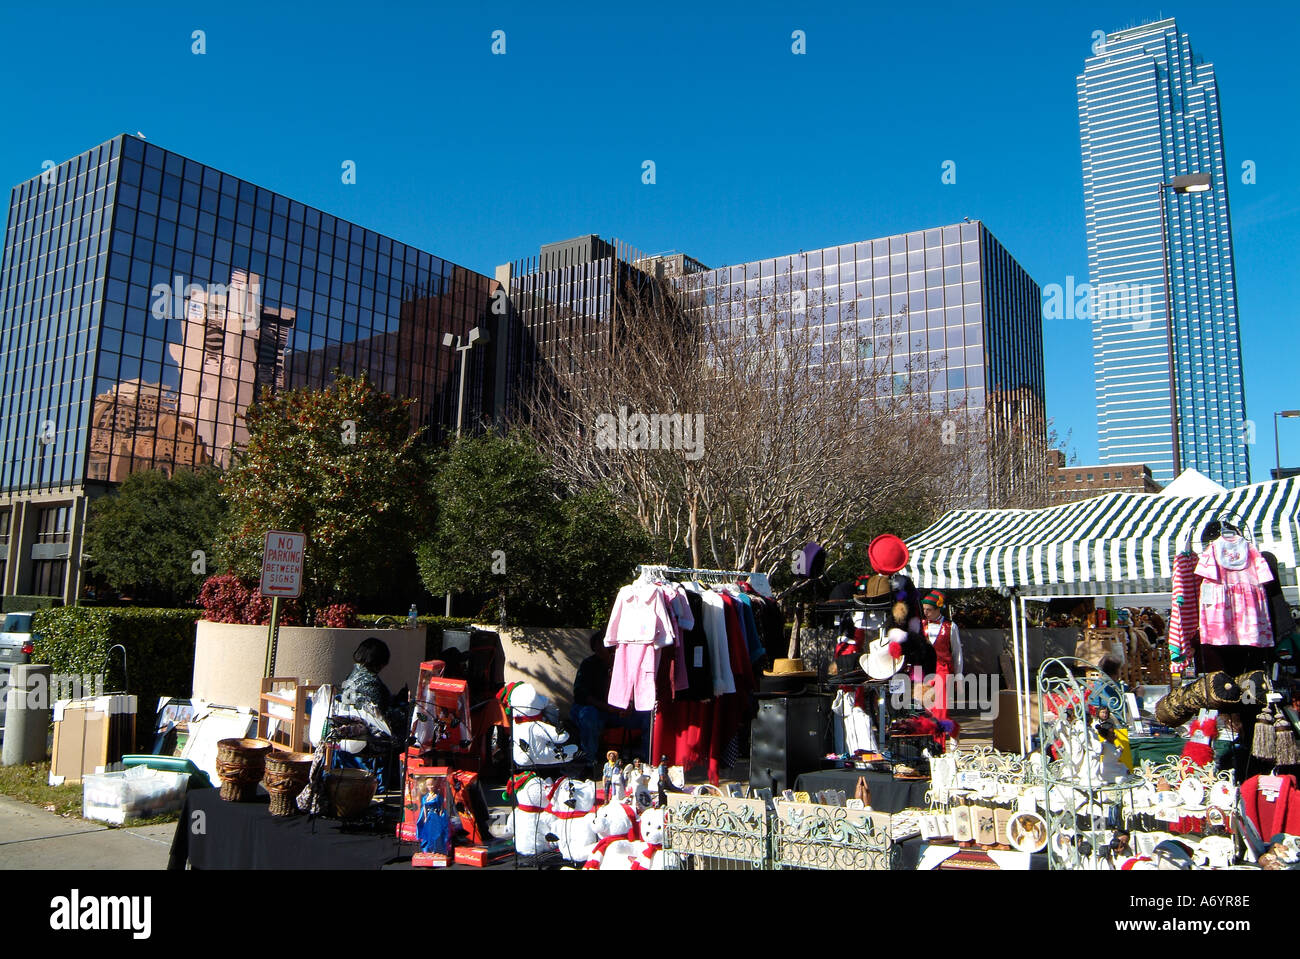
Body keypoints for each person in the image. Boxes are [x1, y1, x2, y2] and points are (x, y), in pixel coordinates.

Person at [571, 630, 651, 765]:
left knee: (648, 717)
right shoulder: (588, 665)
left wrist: (630, 705)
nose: (603, 650)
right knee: (588, 715)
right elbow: (580, 694)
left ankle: (648, 761)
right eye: (599, 647)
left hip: (620, 712)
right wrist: (607, 707)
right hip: (597, 710)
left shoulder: (625, 663)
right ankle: (589, 762)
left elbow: (637, 687)